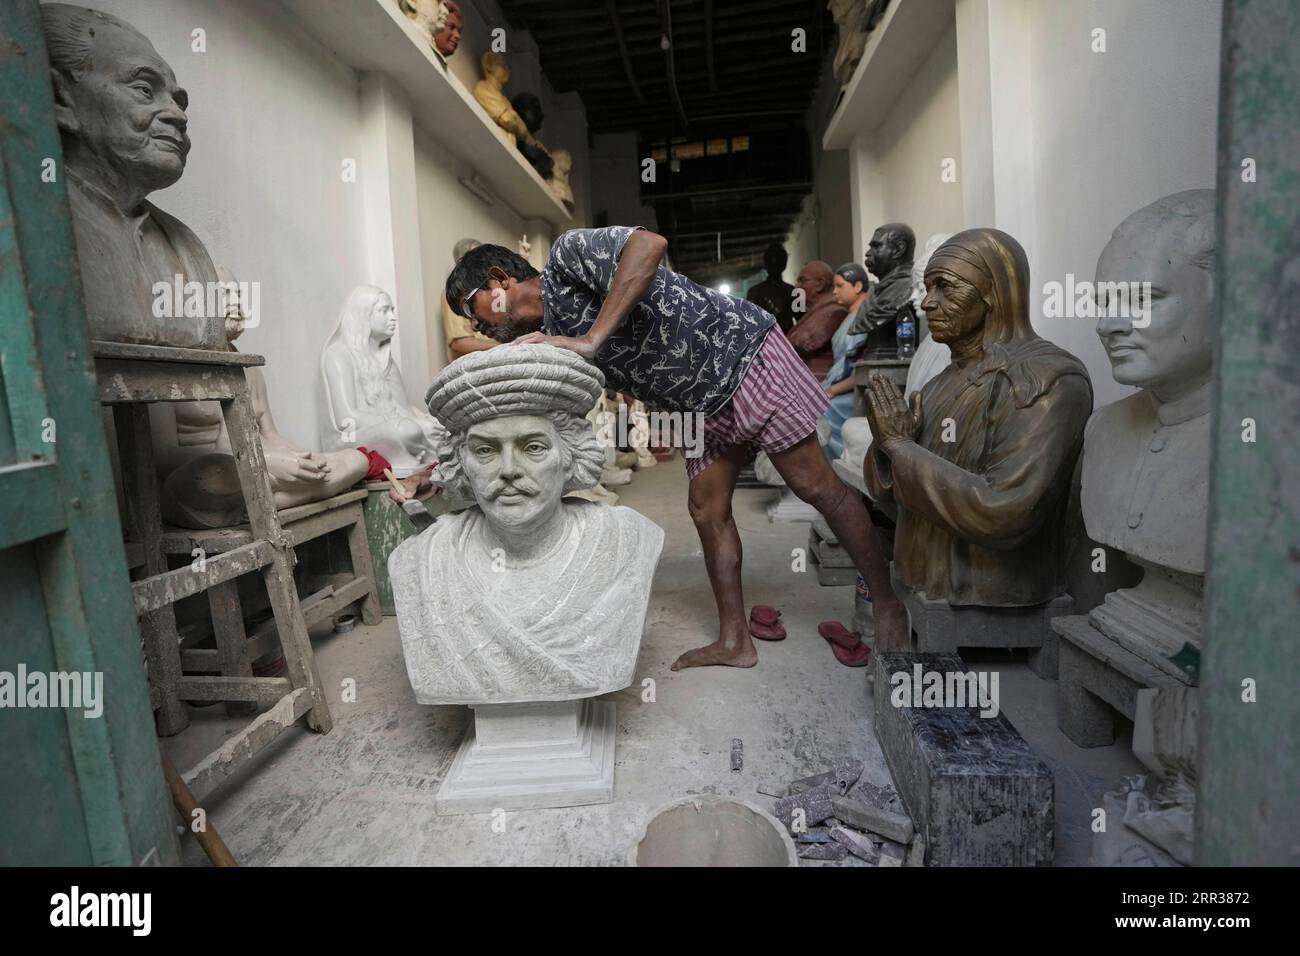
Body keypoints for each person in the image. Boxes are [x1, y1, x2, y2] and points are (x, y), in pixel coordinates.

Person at [444, 226, 910, 664]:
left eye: (471, 308)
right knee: (707, 510)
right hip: (694, 404)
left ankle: (887, 605)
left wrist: (591, 339)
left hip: (740, 355)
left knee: (815, 486)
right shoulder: (543, 336)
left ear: (498, 280)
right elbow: (471, 351)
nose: (474, 324)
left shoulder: (567, 258)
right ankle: (735, 641)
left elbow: (648, 245)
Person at [820, 263, 871, 461]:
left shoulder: (864, 318)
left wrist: (831, 391)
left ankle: (836, 469)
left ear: (857, 287)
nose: (834, 291)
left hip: (854, 391)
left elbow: (860, 365)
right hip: (838, 386)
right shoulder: (848, 317)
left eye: (840, 286)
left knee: (821, 412)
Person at [441, 238, 496, 361]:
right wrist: (503, 347)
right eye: (477, 257)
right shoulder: (454, 294)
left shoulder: (489, 291)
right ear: (461, 262)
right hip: (472, 369)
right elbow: (459, 343)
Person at [745, 243, 797, 334]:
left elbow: (803, 321)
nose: (774, 262)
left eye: (778, 260)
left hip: (781, 342)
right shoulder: (794, 291)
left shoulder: (794, 292)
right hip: (775, 342)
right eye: (772, 260)